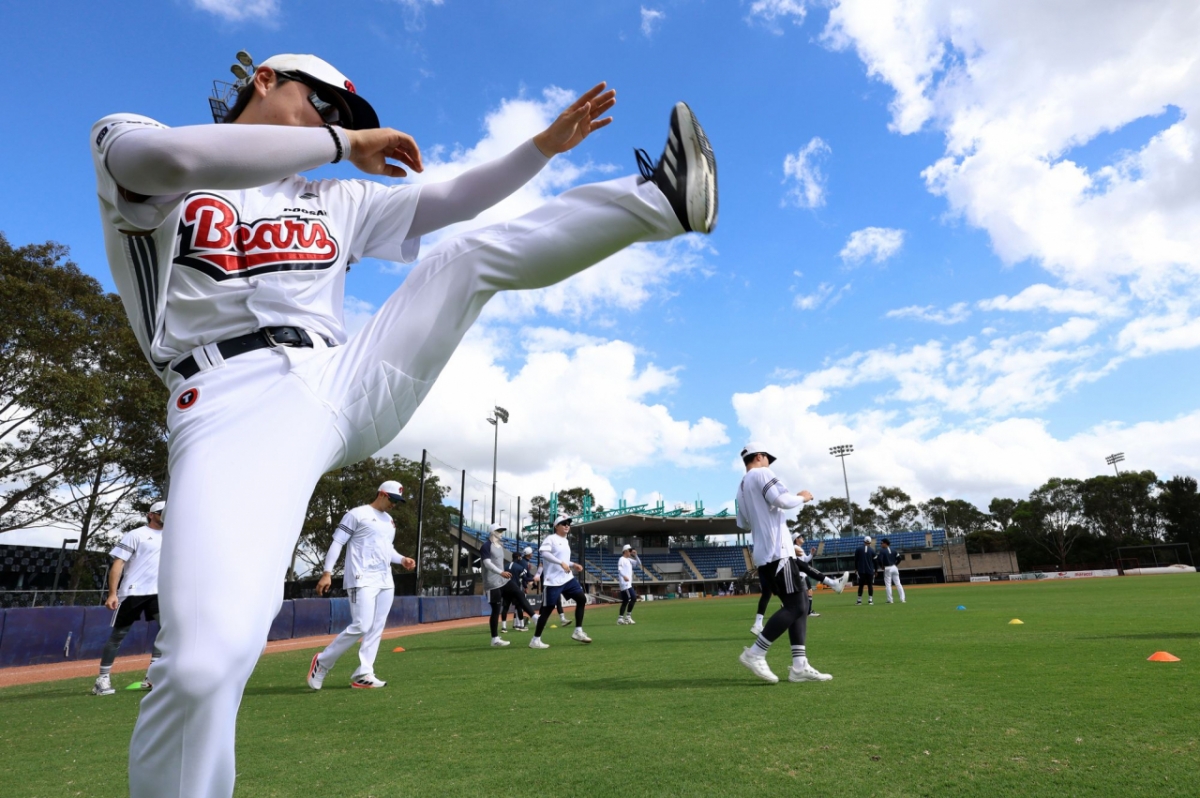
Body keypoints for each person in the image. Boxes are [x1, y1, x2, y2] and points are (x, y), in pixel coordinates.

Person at [91, 48, 716, 796]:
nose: (335, 126)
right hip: (225, 397)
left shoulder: (333, 202)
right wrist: (344, 144)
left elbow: (454, 200)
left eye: (344, 120)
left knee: (465, 258)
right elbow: (166, 155)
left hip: (340, 377)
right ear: (265, 80)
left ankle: (661, 201)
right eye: (323, 105)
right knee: (200, 666)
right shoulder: (141, 146)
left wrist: (540, 148)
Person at [735, 443, 835, 683]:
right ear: (759, 457)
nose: (770, 463)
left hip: (764, 554)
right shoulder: (762, 473)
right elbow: (783, 501)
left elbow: (744, 524)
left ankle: (799, 665)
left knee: (799, 603)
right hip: (778, 552)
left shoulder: (740, 487)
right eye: (768, 459)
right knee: (796, 606)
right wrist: (803, 497)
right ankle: (756, 653)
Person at [307, 481, 415, 689]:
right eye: (392, 499)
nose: (394, 504)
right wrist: (327, 573)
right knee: (362, 625)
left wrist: (401, 559)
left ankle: (364, 673)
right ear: (381, 494)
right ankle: (322, 662)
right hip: (361, 577)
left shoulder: (390, 521)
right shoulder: (357, 514)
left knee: (376, 627)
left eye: (397, 501)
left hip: (385, 580)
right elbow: (338, 542)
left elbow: (386, 549)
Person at [92, 502, 166, 696]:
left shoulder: (174, 535)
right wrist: (112, 593)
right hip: (133, 592)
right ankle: (102, 679)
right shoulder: (136, 535)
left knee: (165, 631)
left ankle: (152, 676)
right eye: (162, 513)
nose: (166, 515)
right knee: (118, 635)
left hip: (158, 592)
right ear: (151, 515)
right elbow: (118, 564)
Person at [530, 515, 591, 648]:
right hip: (553, 581)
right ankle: (535, 640)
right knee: (547, 610)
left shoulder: (565, 541)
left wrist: (573, 564)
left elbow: (563, 559)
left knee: (581, 599)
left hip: (567, 578)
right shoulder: (550, 539)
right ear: (556, 526)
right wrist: (561, 563)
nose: (567, 525)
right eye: (563, 523)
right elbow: (544, 553)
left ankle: (578, 631)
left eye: (568, 523)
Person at [501, 546, 537, 632]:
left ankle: (504, 627)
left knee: (505, 608)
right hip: (515, 589)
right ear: (518, 557)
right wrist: (533, 579)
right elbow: (525, 578)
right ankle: (521, 626)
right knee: (519, 607)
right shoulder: (519, 567)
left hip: (505, 588)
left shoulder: (505, 566)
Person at [793, 533, 819, 618]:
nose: (802, 538)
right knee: (808, 591)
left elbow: (805, 560)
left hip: (801, 574)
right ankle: (808, 611)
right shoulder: (796, 548)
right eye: (800, 537)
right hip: (801, 574)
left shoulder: (798, 548)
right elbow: (803, 562)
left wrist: (811, 554)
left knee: (800, 593)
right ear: (796, 539)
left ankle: (786, 606)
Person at [616, 544, 642, 625]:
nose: (631, 552)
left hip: (628, 584)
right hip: (625, 584)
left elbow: (639, 563)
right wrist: (624, 576)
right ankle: (628, 617)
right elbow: (620, 570)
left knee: (625, 601)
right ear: (626, 551)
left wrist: (636, 555)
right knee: (633, 598)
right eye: (630, 551)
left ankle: (620, 619)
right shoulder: (622, 559)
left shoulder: (629, 560)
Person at [877, 537, 906, 604]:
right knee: (898, 584)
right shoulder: (894, 550)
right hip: (894, 567)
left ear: (885, 543)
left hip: (887, 567)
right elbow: (899, 558)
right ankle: (902, 599)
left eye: (881, 543)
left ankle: (890, 600)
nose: (881, 544)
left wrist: (881, 566)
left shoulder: (882, 551)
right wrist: (896, 564)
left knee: (888, 585)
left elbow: (879, 560)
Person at [855, 536, 878, 605]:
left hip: (861, 570)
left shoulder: (858, 549)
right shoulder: (872, 550)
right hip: (870, 570)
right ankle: (870, 600)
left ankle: (859, 601)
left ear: (864, 541)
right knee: (870, 585)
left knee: (861, 585)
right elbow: (875, 562)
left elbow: (856, 560)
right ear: (870, 542)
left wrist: (856, 568)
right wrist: (876, 570)